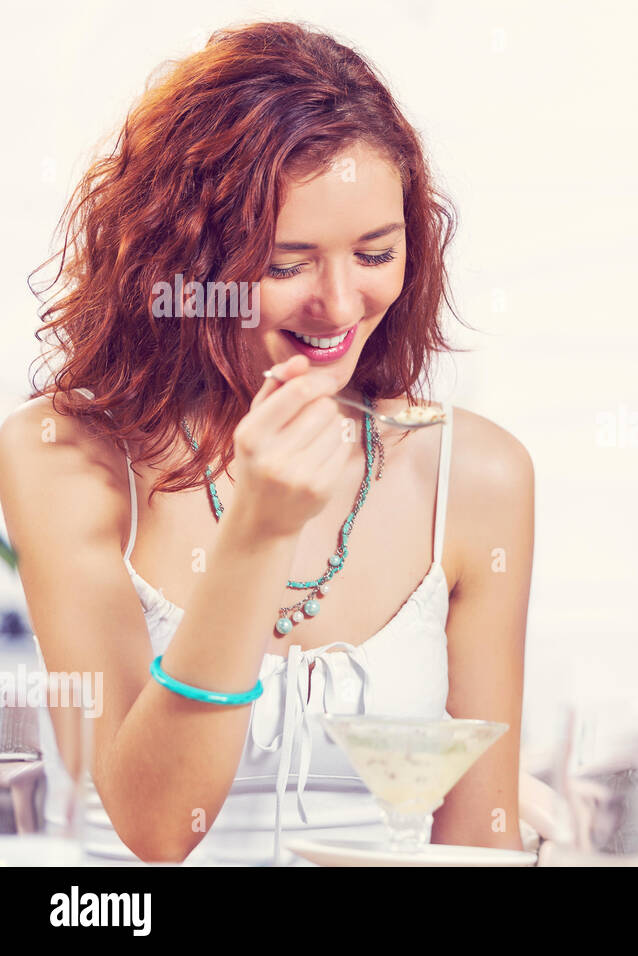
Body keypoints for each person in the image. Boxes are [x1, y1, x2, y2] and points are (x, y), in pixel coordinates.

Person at [0, 21, 534, 864]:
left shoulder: (477, 475)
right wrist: (258, 531)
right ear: (184, 263)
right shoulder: (65, 455)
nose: (339, 303)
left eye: (375, 252)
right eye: (285, 265)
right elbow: (154, 824)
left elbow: (479, 843)